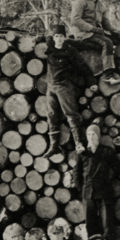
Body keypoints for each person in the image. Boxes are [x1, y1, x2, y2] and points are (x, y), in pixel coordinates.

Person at [74, 123, 120, 240]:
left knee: (107, 223)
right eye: (89, 134)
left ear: (98, 137)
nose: (91, 137)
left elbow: (119, 168)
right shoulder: (83, 153)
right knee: (90, 223)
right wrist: (79, 188)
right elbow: (77, 172)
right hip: (88, 192)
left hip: (104, 191)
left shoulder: (106, 152)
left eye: (93, 134)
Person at [44, 24, 95, 157]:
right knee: (51, 115)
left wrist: (92, 82)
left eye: (61, 36)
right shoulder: (49, 49)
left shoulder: (70, 51)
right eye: (56, 36)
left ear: (65, 37)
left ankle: (80, 143)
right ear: (53, 38)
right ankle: (54, 145)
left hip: (64, 86)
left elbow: (83, 66)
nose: (59, 39)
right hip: (51, 87)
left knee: (71, 114)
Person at [68, 0, 120, 76]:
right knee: (107, 42)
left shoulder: (101, 5)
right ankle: (108, 72)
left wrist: (115, 31)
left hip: (96, 33)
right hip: (83, 34)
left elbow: (105, 22)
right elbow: (75, 20)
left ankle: (118, 63)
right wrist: (91, 28)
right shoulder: (80, 2)